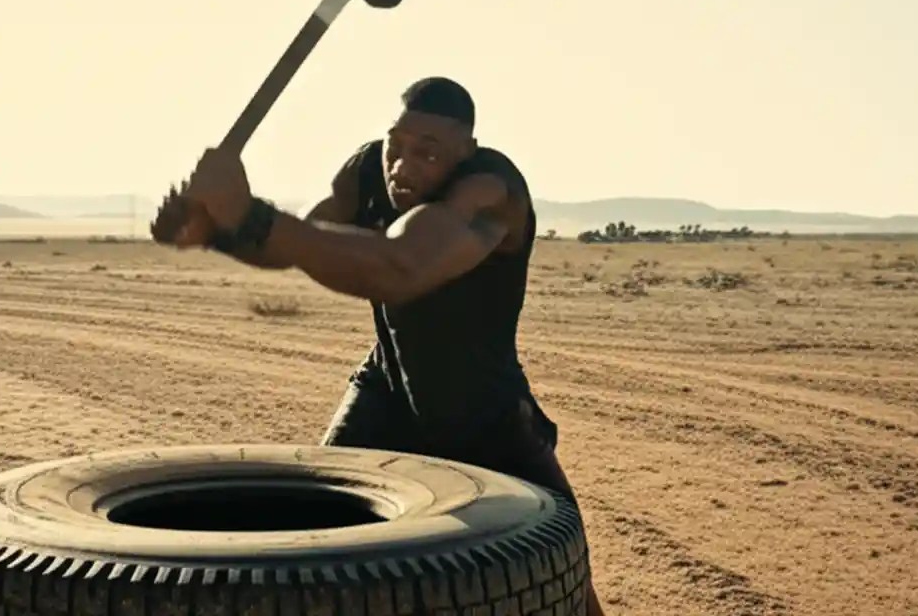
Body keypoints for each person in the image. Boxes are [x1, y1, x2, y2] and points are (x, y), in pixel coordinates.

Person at [150, 76, 605, 615]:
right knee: (312, 530)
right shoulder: (366, 172)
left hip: (485, 414)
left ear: (466, 151)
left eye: (427, 153)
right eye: (397, 145)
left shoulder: (489, 192)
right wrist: (219, 232)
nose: (402, 166)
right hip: (386, 391)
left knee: (561, 571)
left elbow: (399, 267)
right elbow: (302, 243)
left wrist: (251, 215)